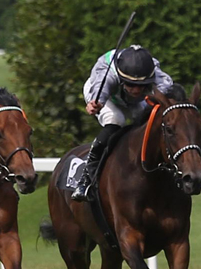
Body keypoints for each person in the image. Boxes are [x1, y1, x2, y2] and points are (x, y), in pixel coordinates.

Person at [71, 45, 175, 202]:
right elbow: (101, 89)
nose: (135, 90)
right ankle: (86, 178)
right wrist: (96, 103)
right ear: (121, 77)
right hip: (104, 95)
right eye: (130, 84)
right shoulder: (107, 74)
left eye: (141, 85)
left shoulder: (155, 74)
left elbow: (168, 89)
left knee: (149, 120)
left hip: (132, 102)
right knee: (116, 119)